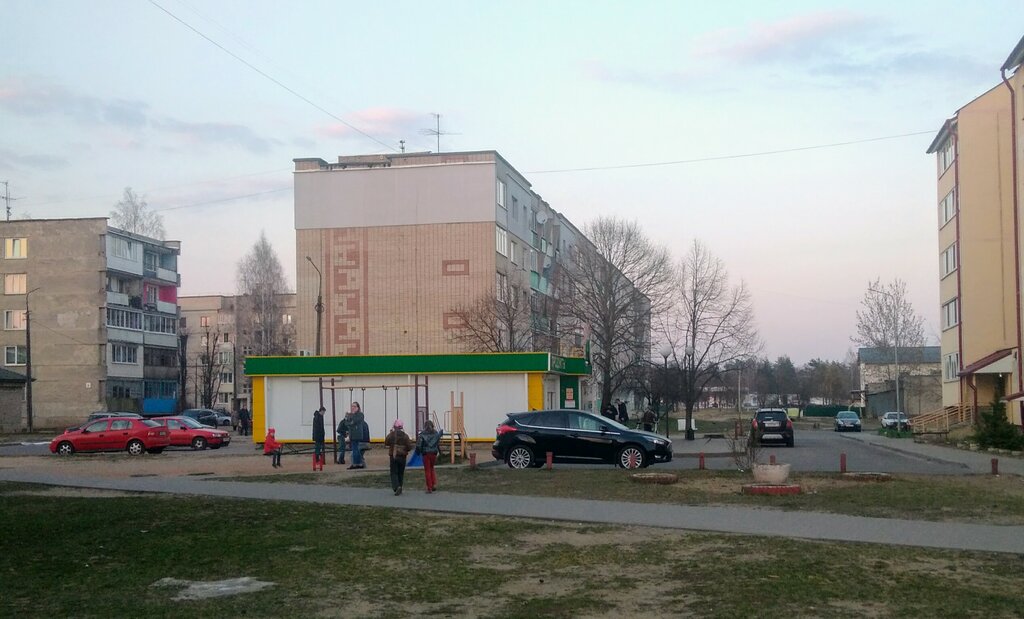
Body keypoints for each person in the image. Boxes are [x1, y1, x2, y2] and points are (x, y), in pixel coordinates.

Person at [384, 419, 414, 495]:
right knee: (401, 473)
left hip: (393, 456)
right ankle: (400, 486)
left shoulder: (392, 435)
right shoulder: (405, 436)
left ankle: (396, 487)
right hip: (403, 457)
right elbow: (409, 447)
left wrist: (390, 433)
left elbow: (386, 443)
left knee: (394, 472)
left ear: (394, 426)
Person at [416, 419, 441, 493]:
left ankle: (429, 487)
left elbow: (419, 445)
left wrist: (418, 452)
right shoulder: (436, 433)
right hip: (434, 453)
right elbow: (437, 443)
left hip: (426, 453)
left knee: (427, 470)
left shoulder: (422, 434)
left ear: (425, 426)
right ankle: (434, 484)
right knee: (432, 468)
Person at [348, 402, 366, 469]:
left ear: (358, 408)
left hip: (357, 435)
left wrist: (351, 418)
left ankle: (356, 463)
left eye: (354, 406)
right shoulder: (351, 415)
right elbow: (347, 423)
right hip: (352, 435)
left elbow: (354, 421)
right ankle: (358, 463)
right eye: (352, 406)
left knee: (355, 449)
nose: (353, 408)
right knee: (355, 449)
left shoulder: (360, 414)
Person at [312, 406, 326, 471]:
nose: (324, 413)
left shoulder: (318, 417)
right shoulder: (318, 417)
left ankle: (318, 456)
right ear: (321, 411)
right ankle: (317, 457)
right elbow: (318, 428)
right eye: (324, 412)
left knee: (318, 446)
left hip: (318, 435)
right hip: (318, 436)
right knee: (317, 447)